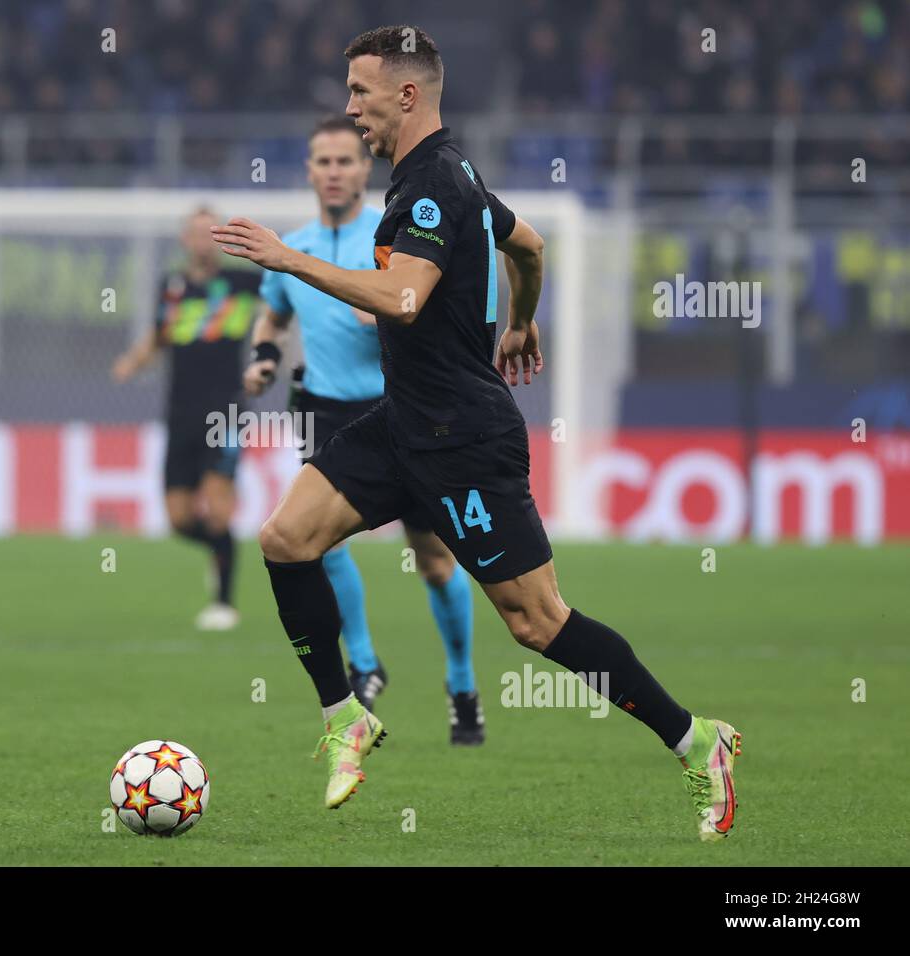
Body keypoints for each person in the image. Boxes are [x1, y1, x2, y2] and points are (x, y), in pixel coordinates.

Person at [210, 25, 741, 842]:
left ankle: (696, 739)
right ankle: (344, 715)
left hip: (464, 439)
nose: (351, 110)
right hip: (404, 422)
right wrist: (523, 320)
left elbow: (405, 299)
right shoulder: (454, 171)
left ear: (408, 94)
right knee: (286, 539)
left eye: (361, 92)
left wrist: (288, 259)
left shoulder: (429, 188)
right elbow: (526, 244)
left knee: (536, 621)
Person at [246, 115, 484, 744]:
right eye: (322, 161)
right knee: (313, 544)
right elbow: (271, 318)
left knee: (433, 560)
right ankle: (366, 665)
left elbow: (419, 306)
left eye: (345, 161)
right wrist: (262, 358)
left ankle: (461, 682)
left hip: (398, 413)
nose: (334, 172)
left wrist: (382, 314)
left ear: (363, 169)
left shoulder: (386, 241)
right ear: (309, 170)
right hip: (323, 411)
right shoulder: (288, 246)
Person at [112, 208, 260, 631]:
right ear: (184, 240)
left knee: (217, 509)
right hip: (180, 412)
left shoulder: (243, 282)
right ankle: (218, 551)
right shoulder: (172, 287)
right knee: (178, 518)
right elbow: (159, 336)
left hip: (226, 411)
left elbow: (283, 302)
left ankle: (224, 601)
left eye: (210, 233)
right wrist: (133, 361)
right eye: (196, 233)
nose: (203, 240)